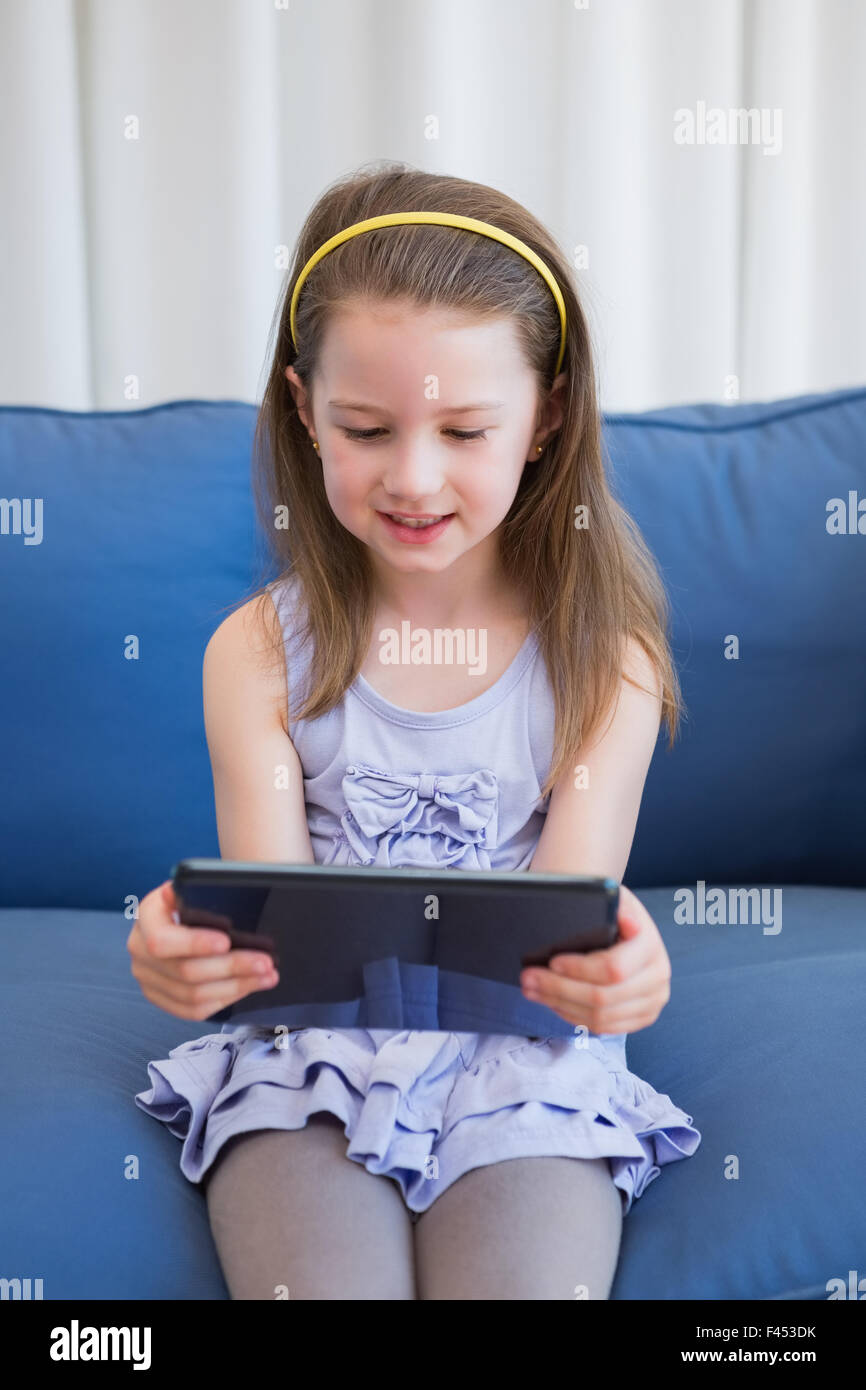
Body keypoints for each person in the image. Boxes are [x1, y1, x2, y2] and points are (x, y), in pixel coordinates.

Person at [128, 160, 701, 1300]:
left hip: (521, 1071)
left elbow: (559, 951)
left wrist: (623, 973)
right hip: (315, 1060)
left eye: (464, 428)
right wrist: (184, 949)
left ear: (544, 417)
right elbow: (271, 950)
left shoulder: (603, 660)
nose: (414, 477)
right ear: (303, 409)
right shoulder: (257, 653)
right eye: (365, 427)